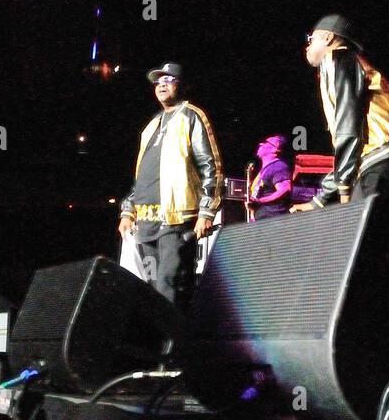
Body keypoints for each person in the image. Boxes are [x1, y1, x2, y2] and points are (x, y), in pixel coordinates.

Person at [293, 15, 389, 214]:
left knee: (360, 233)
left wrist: (344, 185)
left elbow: (348, 126)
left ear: (328, 37)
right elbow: (353, 151)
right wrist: (319, 200)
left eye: (311, 39)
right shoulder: (358, 64)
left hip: (382, 158)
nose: (307, 46)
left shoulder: (336, 58)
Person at [117, 62, 223, 307]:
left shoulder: (192, 115)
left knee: (170, 286)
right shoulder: (151, 125)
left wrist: (207, 211)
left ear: (183, 85)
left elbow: (211, 165)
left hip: (175, 220)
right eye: (158, 81)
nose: (161, 85)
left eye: (169, 79)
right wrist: (128, 210)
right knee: (149, 289)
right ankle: (155, 343)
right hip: (145, 221)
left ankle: (175, 344)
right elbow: (142, 175)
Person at [249, 134, 294, 218]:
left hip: (272, 219)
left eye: (266, 142)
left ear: (275, 149)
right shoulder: (266, 169)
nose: (261, 144)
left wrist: (259, 201)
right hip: (262, 218)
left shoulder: (278, 167)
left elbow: (284, 189)